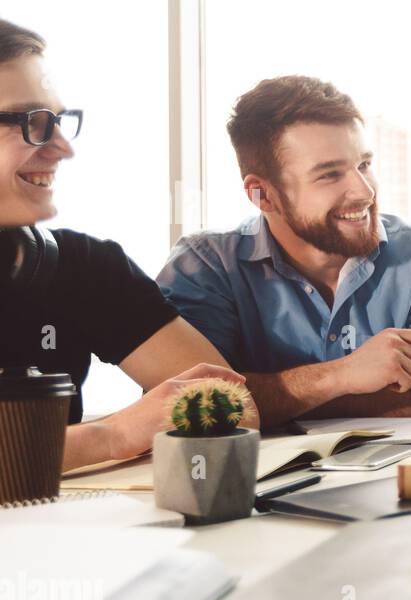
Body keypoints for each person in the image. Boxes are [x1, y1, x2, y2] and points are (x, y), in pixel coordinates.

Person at [0, 18, 249, 471]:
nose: (63, 148)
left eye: (59, 121)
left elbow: (235, 406)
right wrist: (110, 436)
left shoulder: (86, 267)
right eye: (33, 123)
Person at [157, 76, 411, 426]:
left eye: (364, 165)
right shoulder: (206, 267)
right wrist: (341, 376)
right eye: (330, 175)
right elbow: (186, 406)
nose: (364, 191)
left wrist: (266, 401)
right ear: (262, 194)